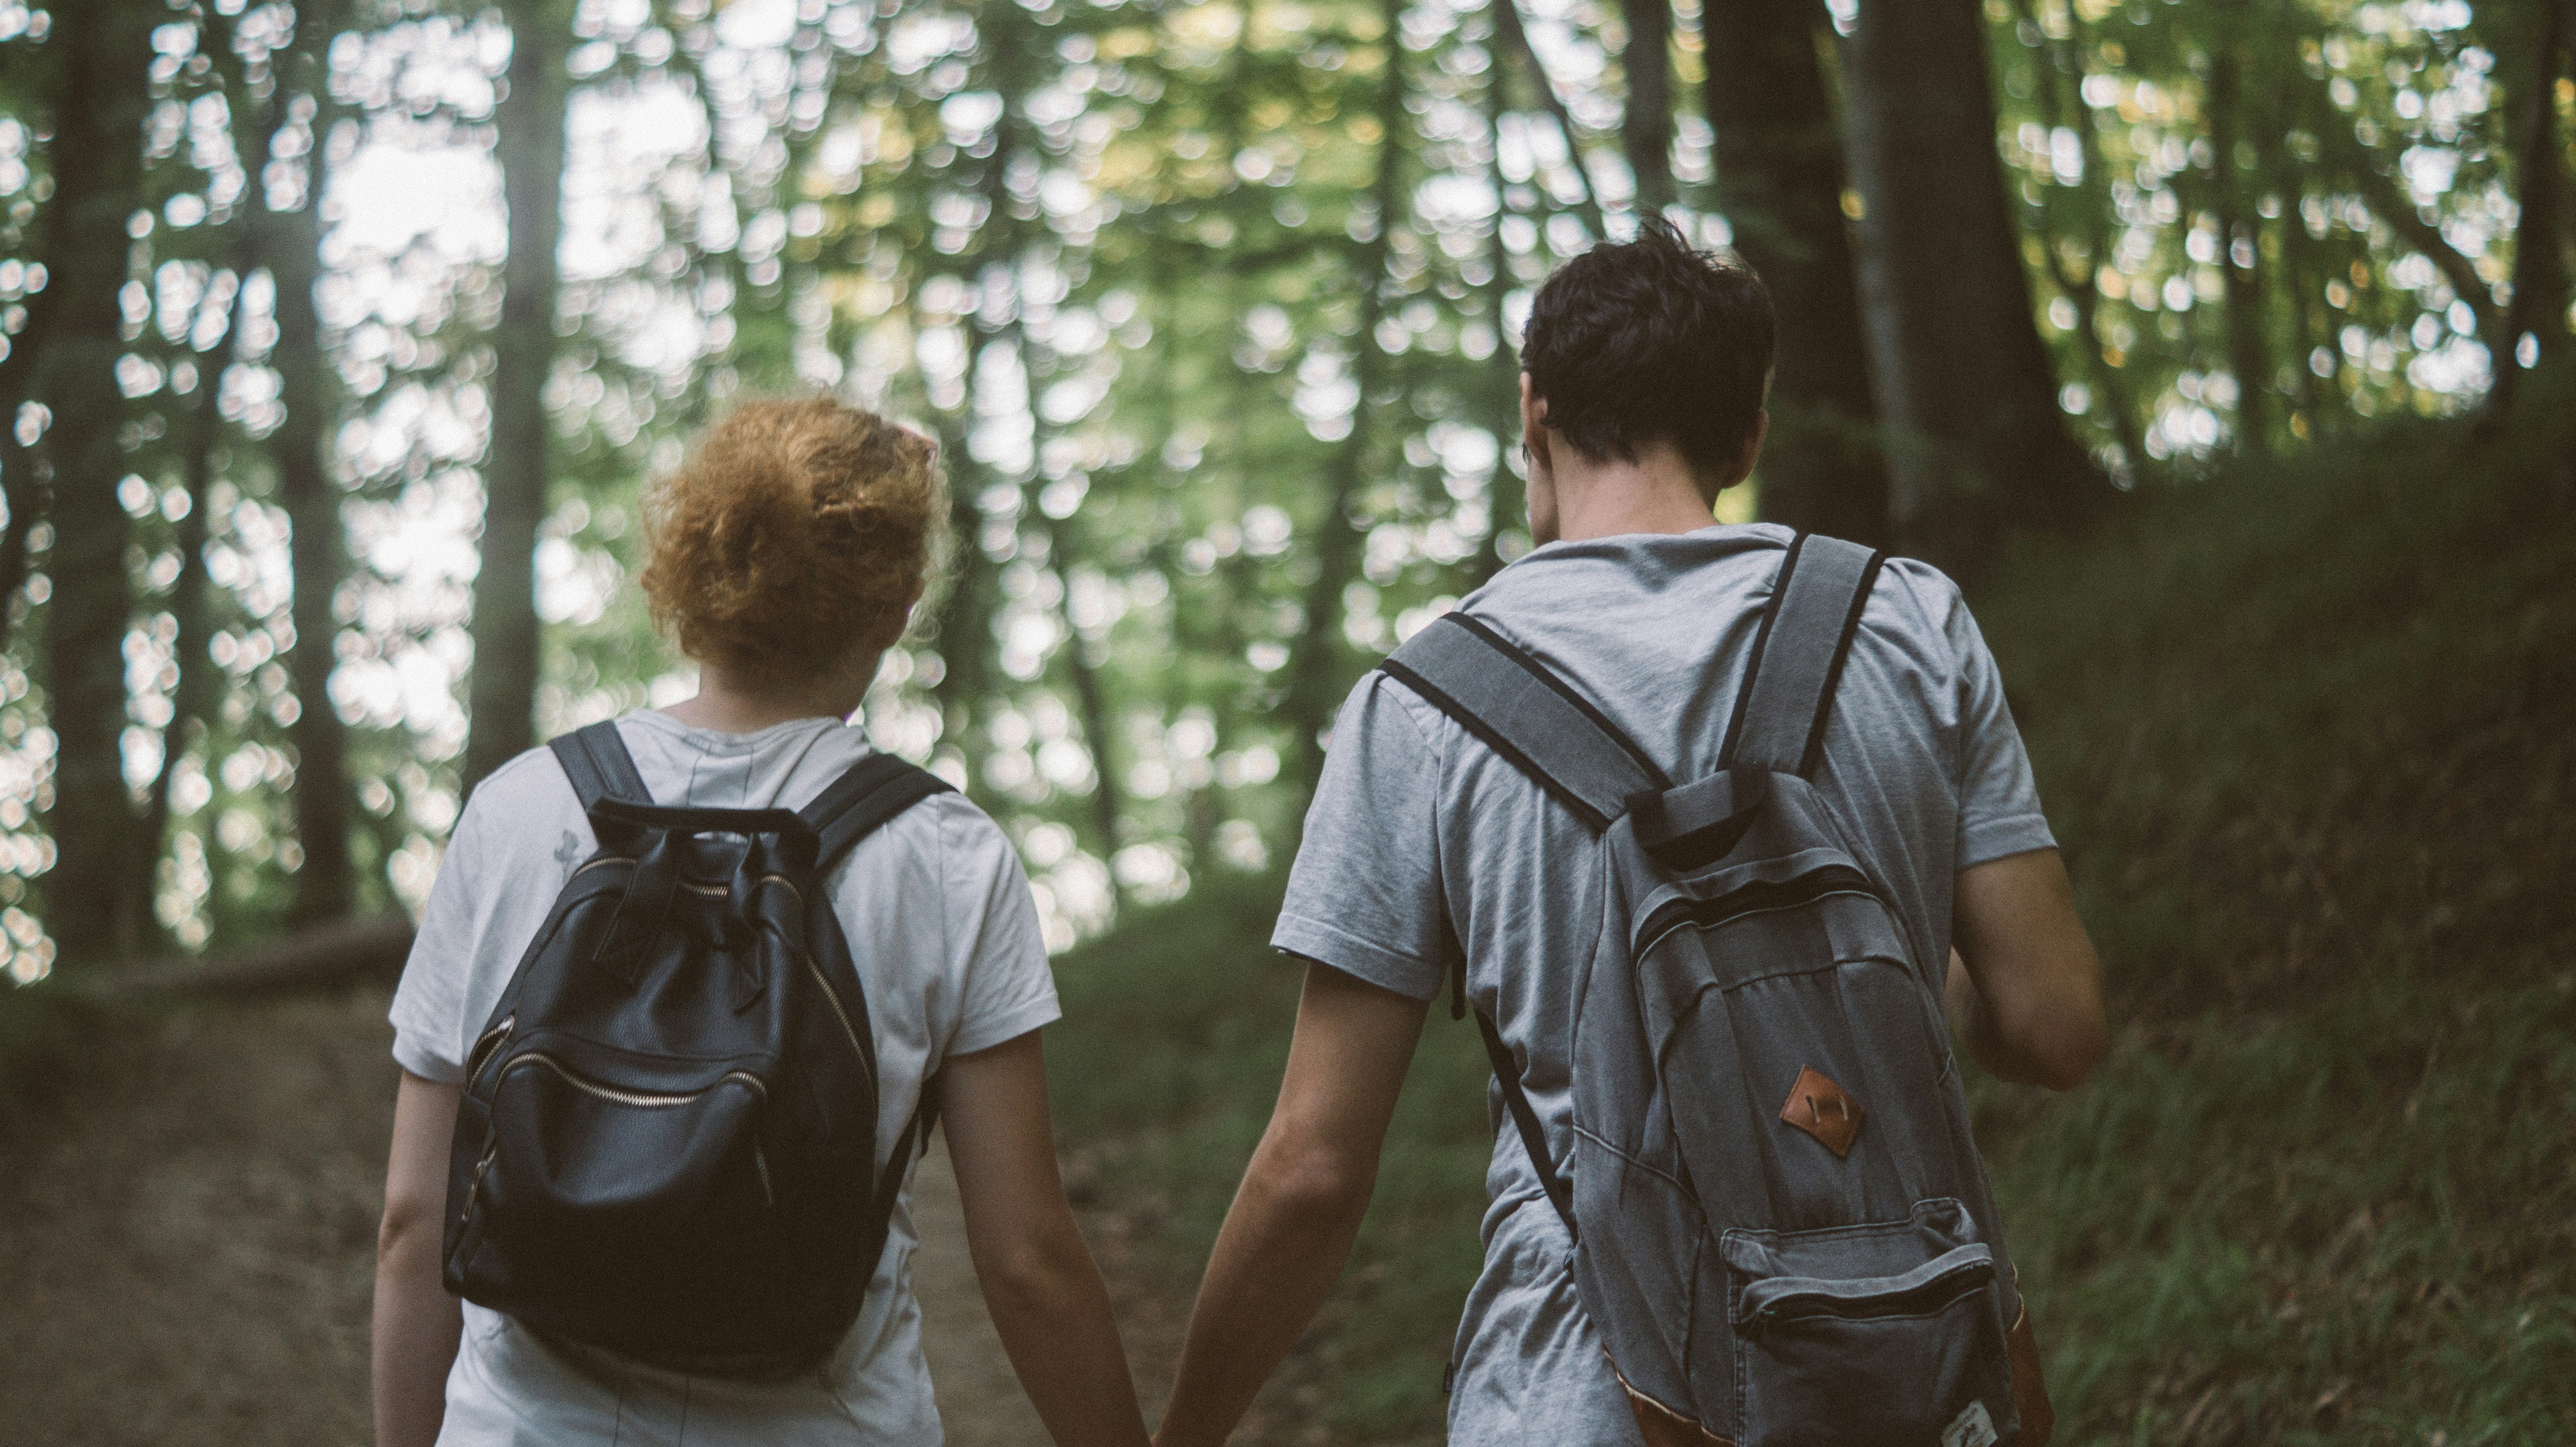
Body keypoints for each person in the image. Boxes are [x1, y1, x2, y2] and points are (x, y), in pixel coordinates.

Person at [1149, 221, 2111, 1446]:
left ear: (1533, 411)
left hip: (1585, 1389)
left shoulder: (1423, 704)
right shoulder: (1910, 620)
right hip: (1903, 1379)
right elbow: (2057, 1027)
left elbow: (1314, 1171)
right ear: (1746, 433)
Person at [371, 399, 1151, 1447]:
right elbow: (1026, 1258)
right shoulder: (945, 852)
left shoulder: (518, 809)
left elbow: (413, 1226)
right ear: (897, 605)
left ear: (692, 573)